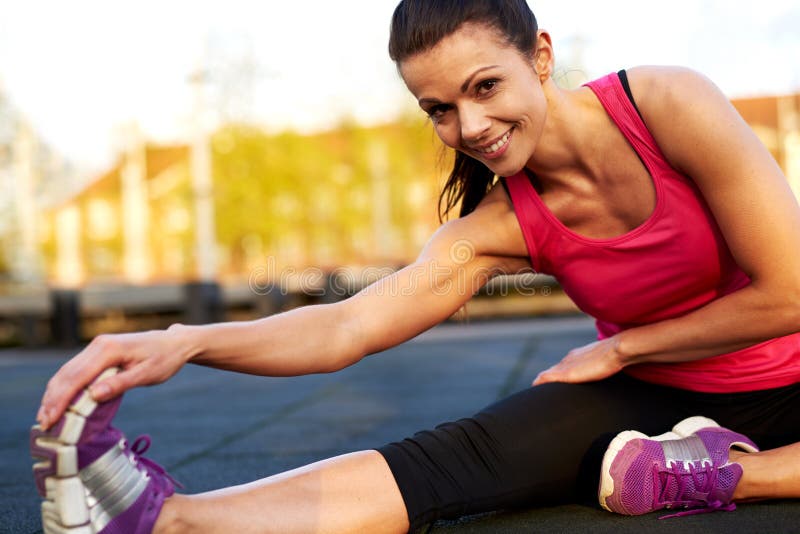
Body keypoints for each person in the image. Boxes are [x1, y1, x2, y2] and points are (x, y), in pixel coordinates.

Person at [30, 1, 800, 533]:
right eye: (438, 108)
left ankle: (726, 473)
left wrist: (623, 346)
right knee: (456, 457)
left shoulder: (669, 104)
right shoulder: (498, 228)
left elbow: (789, 292)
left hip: (782, 371)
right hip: (655, 397)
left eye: (485, 87)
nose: (470, 127)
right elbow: (348, 325)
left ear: (541, 55)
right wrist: (187, 342)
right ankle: (167, 519)